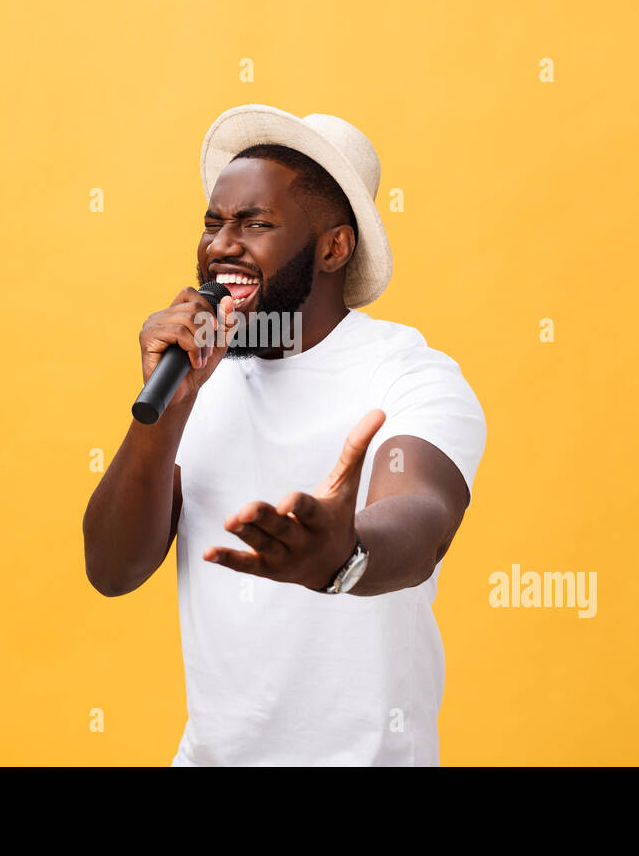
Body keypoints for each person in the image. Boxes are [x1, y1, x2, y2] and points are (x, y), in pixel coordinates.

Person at [83, 103, 487, 765]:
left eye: (255, 223)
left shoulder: (409, 373)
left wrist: (343, 553)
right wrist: (168, 411)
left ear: (332, 248)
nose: (221, 245)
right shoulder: (200, 380)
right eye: (214, 223)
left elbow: (422, 515)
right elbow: (112, 570)